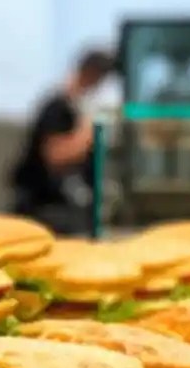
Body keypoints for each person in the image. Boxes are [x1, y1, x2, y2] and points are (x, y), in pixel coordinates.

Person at [10, 49, 114, 233]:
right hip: (42, 208)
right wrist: (88, 133)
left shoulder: (75, 109)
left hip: (60, 206)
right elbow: (56, 156)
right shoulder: (58, 107)